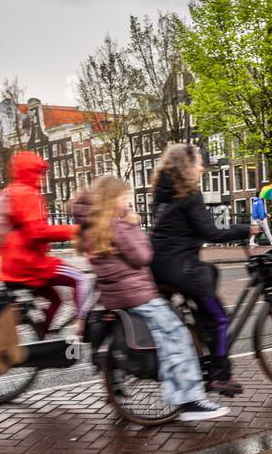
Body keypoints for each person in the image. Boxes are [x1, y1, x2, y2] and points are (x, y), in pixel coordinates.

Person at [72, 177, 226, 421]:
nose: (128, 203)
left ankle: (117, 380)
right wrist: (133, 224)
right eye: (125, 199)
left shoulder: (91, 228)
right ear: (113, 200)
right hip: (138, 295)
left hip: (117, 297)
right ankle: (190, 400)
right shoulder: (118, 226)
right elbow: (143, 256)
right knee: (177, 336)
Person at [149, 143, 257, 397]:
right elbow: (212, 232)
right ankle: (220, 376)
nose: (201, 167)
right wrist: (245, 229)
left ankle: (201, 344)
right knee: (220, 318)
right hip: (182, 269)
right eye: (198, 162)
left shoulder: (161, 193)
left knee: (208, 289)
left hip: (158, 267)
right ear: (187, 167)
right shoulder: (189, 195)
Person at [0, 151, 89, 337]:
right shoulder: (28, 194)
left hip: (11, 263)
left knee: (55, 299)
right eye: (42, 172)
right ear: (33, 172)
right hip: (30, 263)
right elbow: (36, 232)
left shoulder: (11, 190)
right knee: (81, 280)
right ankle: (83, 327)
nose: (45, 177)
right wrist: (74, 230)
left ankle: (43, 337)